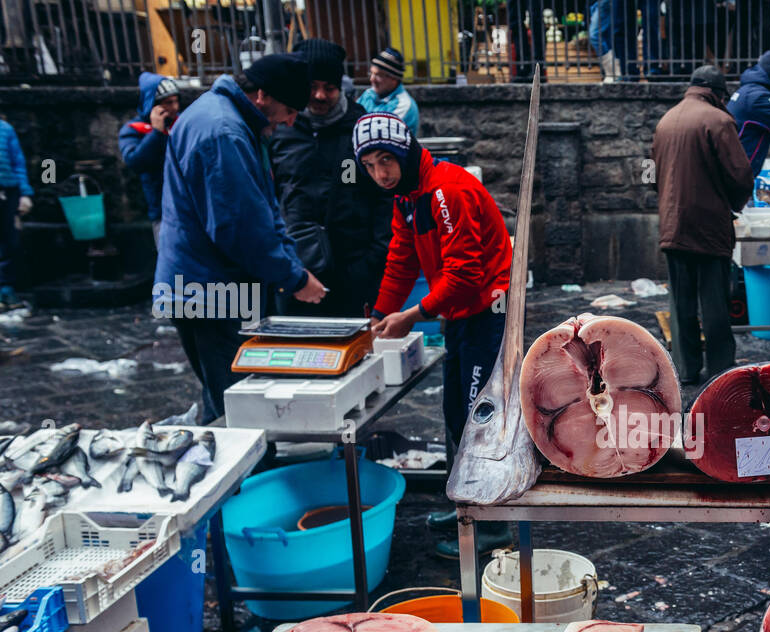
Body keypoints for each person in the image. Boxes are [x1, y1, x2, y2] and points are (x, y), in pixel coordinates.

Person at [353, 113, 513, 556]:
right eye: (369, 166)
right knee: (453, 411)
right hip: (461, 315)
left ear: (404, 152)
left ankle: (494, 524)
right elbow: (402, 259)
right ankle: (466, 505)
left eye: (386, 161)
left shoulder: (448, 190)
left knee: (481, 419)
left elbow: (464, 274)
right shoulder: (407, 197)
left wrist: (413, 315)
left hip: (488, 311)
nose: (379, 174)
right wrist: (382, 313)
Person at [154, 54, 326, 424]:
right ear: (262, 95)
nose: (292, 120)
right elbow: (238, 227)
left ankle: (227, 474)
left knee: (224, 400)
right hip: (208, 290)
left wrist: (291, 264)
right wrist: (294, 279)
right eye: (290, 109)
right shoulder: (223, 132)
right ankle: (249, 481)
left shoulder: (236, 121)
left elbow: (263, 206)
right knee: (240, 407)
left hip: (212, 284)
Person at [268, 39, 391, 317]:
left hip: (354, 276)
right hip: (297, 273)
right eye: (312, 86)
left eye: (329, 87)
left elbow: (385, 196)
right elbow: (270, 194)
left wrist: (373, 260)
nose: (320, 95)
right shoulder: (281, 130)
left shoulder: (363, 129)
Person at [652, 65, 754, 384]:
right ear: (717, 94)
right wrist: (733, 205)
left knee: (681, 303)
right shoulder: (719, 121)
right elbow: (740, 176)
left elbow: (654, 175)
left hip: (673, 226)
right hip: (709, 227)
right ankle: (721, 370)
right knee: (714, 304)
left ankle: (685, 369)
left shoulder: (666, 120)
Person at [118, 72, 181, 246]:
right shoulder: (133, 130)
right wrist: (156, 133)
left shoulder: (181, 124)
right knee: (172, 264)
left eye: (177, 101)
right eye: (168, 102)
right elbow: (135, 162)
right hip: (162, 210)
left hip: (190, 206)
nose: (175, 107)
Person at [0, 117, 34, 309]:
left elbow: (18, 164)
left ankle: (6, 289)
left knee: (9, 241)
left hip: (8, 192)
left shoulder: (6, 129)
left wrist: (25, 194)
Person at [357, 47, 420, 135]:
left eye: (378, 75)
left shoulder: (403, 105)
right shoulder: (368, 95)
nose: (372, 79)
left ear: (394, 78)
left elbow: (376, 136)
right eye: (371, 73)